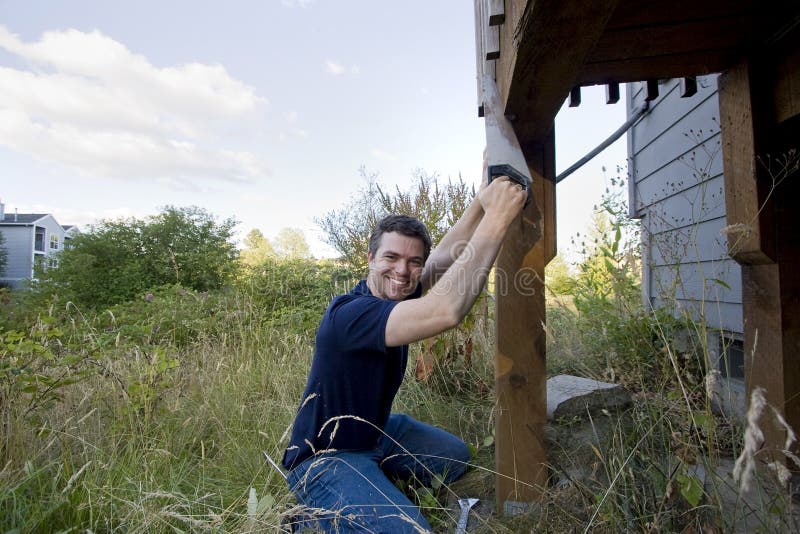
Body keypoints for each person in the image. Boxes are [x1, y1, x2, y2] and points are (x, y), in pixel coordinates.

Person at [282, 176, 527, 533]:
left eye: (414, 262)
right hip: (325, 458)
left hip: (376, 432)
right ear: (369, 258)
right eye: (392, 257)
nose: (403, 271)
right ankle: (310, 521)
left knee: (455, 459)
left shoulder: (397, 293)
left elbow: (444, 256)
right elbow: (444, 311)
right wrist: (498, 219)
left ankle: (370, 482)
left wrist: (480, 203)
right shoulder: (350, 315)